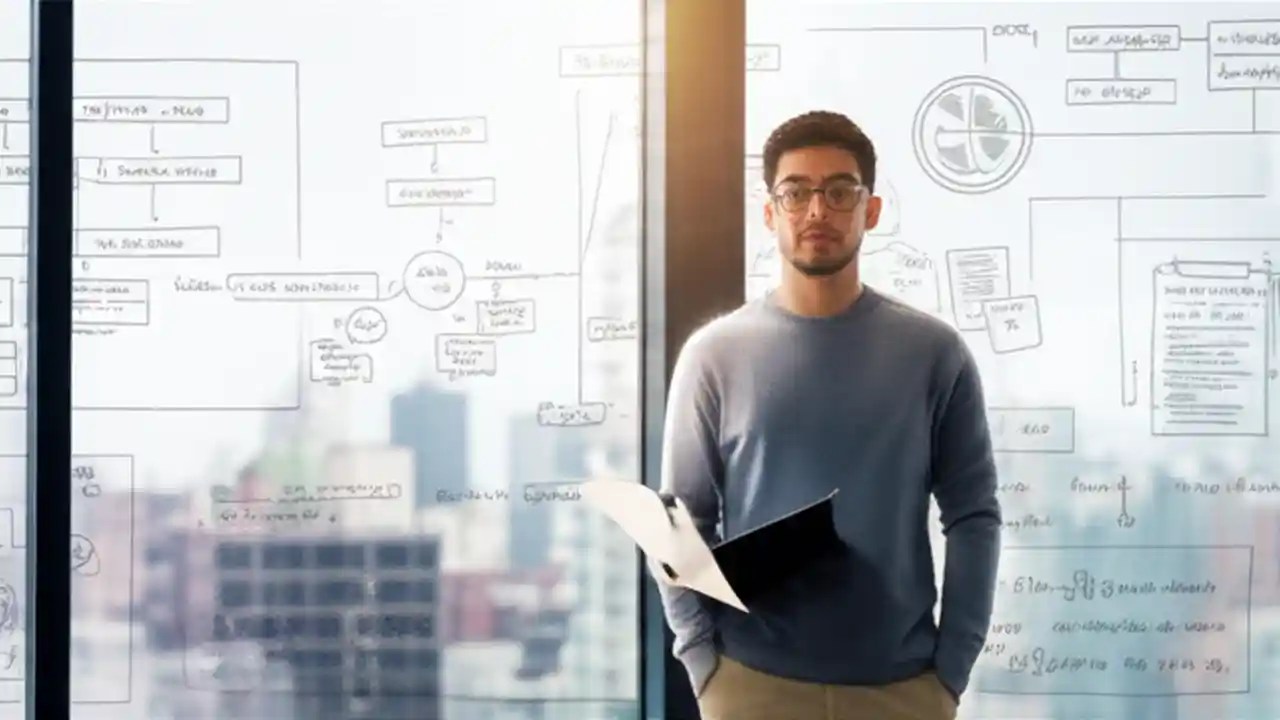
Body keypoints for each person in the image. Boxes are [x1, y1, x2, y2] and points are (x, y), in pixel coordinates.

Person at [653, 110, 1002, 720]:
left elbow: (973, 515)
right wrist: (702, 662)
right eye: (796, 193)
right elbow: (679, 523)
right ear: (770, 213)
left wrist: (951, 671)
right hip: (750, 686)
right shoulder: (714, 356)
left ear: (870, 210)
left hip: (904, 690)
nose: (817, 210)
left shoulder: (934, 355)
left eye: (840, 191)